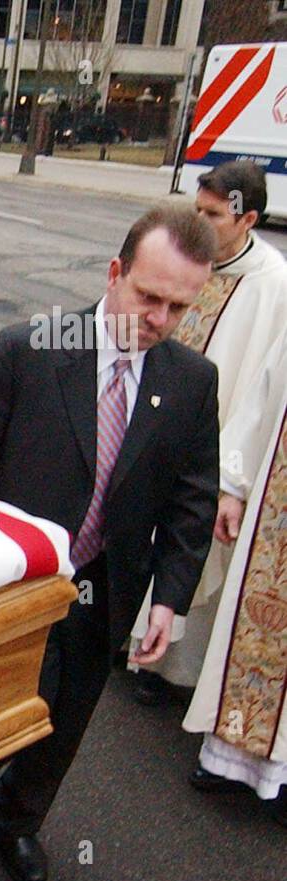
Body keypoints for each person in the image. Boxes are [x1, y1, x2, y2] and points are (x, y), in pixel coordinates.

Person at [0, 206, 220, 881]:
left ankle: (16, 825)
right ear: (115, 274)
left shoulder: (190, 381)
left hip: (102, 592)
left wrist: (169, 599)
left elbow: (192, 499)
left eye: (179, 307)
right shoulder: (30, 349)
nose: (159, 319)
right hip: (15, 586)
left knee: (61, 727)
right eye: (149, 296)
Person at [131, 161, 287, 705]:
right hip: (156, 428)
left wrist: (231, 476)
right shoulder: (187, 262)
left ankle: (172, 668)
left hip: (213, 445)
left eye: (213, 214)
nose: (199, 221)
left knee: (190, 551)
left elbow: (264, 389)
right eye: (195, 209)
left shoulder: (275, 285)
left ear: (248, 218)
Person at [182, 336, 287, 825]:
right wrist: (234, 484)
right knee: (255, 619)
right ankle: (229, 756)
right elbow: (265, 393)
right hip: (276, 505)